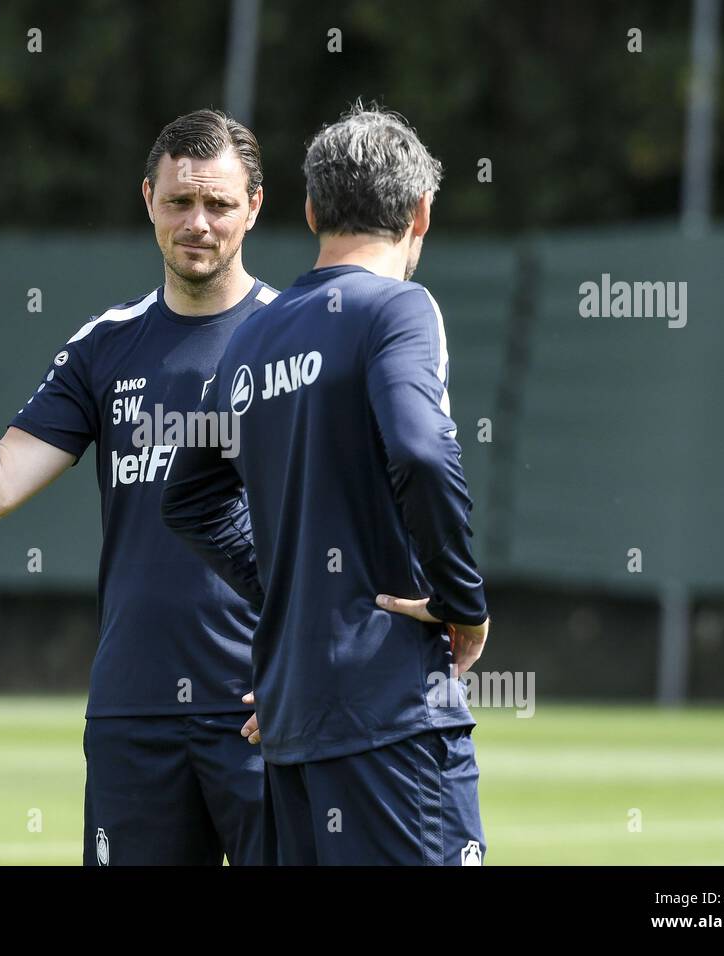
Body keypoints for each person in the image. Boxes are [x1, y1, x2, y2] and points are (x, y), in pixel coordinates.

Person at [0, 109, 276, 865]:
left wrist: (308, 667)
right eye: (178, 202)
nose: (197, 223)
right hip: (133, 713)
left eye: (219, 204)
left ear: (254, 207)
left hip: (261, 708)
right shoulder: (106, 345)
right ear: (147, 200)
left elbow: (351, 519)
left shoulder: (294, 336)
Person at [161, 104, 491, 865]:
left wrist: (295, 599)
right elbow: (423, 451)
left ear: (311, 209)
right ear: (421, 213)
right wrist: (460, 601)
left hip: (293, 720)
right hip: (391, 715)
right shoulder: (398, 307)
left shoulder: (253, 336)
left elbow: (187, 497)